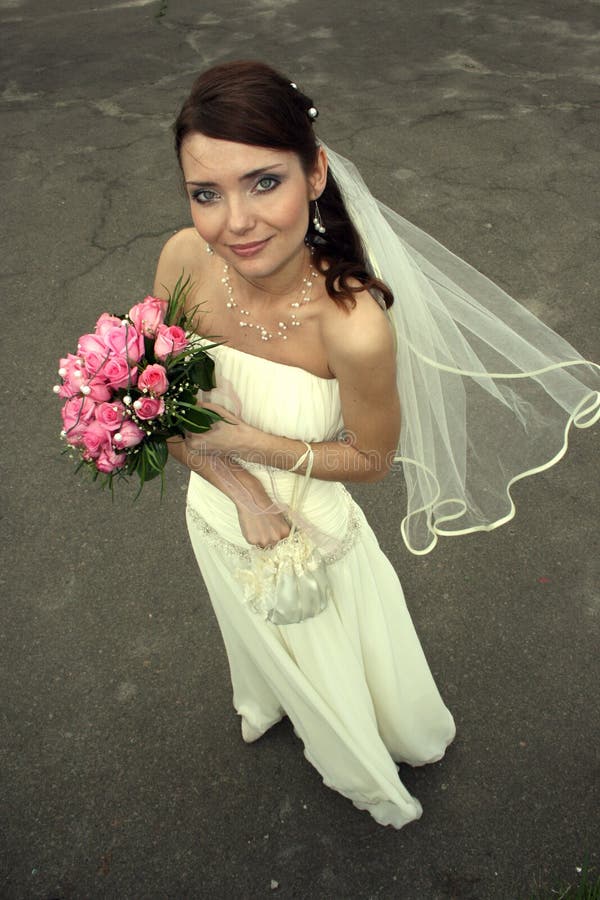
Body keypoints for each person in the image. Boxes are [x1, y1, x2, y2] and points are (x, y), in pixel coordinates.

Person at [152, 61, 599, 829]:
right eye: (207, 193)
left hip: (310, 536)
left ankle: (363, 753)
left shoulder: (352, 325)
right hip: (218, 508)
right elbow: (156, 397)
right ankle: (271, 696)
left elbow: (370, 460)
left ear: (315, 172)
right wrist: (242, 490)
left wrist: (252, 444)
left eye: (264, 182)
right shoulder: (182, 260)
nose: (236, 222)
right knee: (254, 632)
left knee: (335, 659)